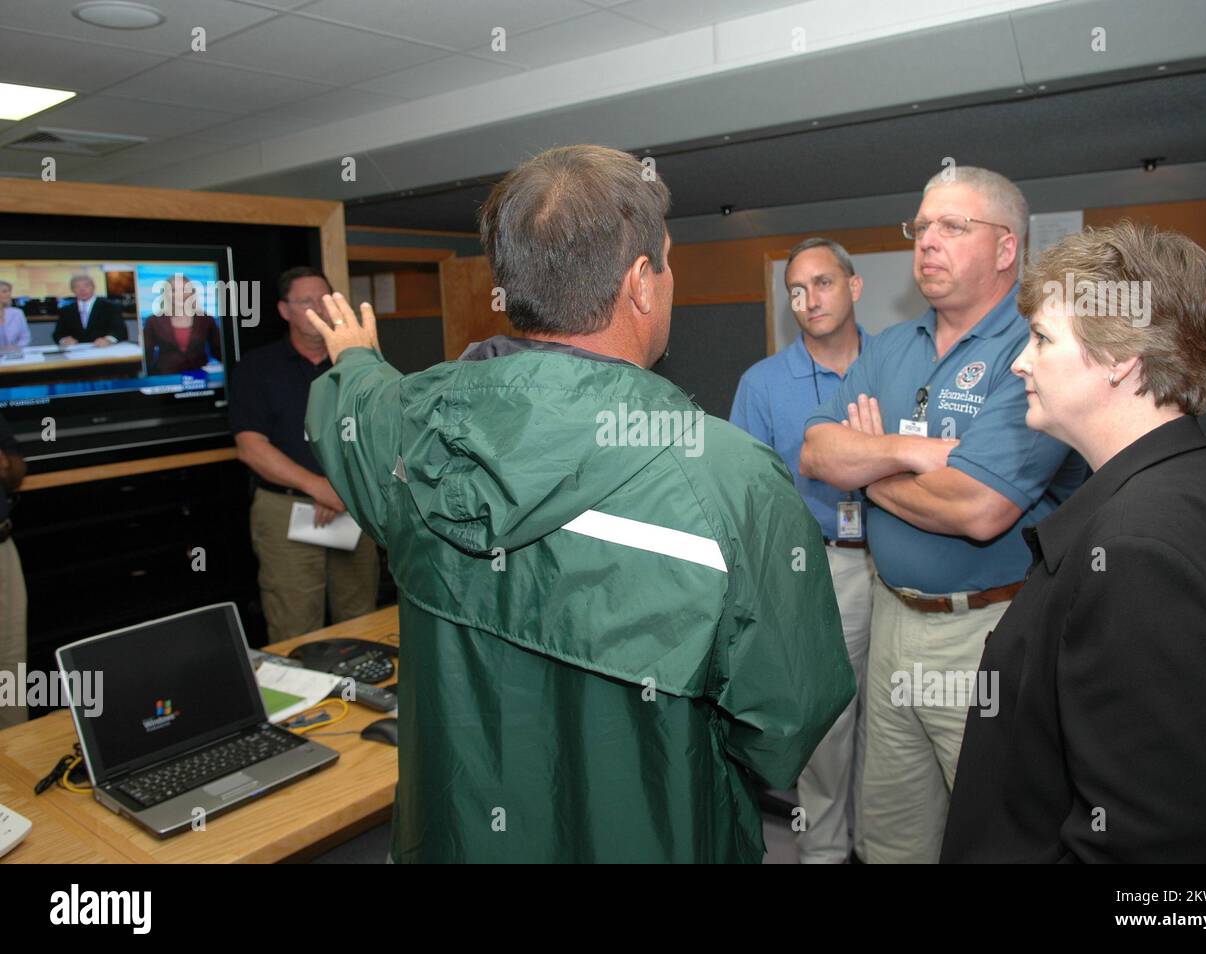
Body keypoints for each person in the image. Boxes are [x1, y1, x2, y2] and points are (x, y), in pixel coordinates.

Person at [305, 144, 856, 863]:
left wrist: (353, 357)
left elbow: (354, 415)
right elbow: (784, 721)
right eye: (665, 260)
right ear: (640, 283)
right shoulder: (730, 481)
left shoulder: (408, 433)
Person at [941, 221, 1206, 863]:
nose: (1020, 361)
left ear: (1118, 358)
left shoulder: (1142, 553)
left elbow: (1148, 855)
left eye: (1042, 338)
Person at [801, 165, 1086, 863]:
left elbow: (980, 507)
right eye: (921, 226)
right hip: (892, 616)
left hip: (985, 631)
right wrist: (913, 451)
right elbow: (815, 451)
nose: (927, 241)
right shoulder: (892, 345)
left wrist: (870, 469)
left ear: (1006, 248)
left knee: (996, 834)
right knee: (894, 837)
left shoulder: (1035, 351)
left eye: (953, 226)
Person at [730, 237, 874, 863]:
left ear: (853, 286)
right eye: (795, 289)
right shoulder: (763, 383)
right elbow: (745, 497)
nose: (807, 299)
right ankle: (823, 853)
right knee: (828, 730)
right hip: (818, 567)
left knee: (894, 728)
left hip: (900, 564)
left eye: (822, 283)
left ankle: (880, 846)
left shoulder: (894, 364)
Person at [228, 266, 379, 643]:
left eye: (325, 300)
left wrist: (341, 490)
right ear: (285, 311)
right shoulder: (258, 367)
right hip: (288, 510)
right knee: (295, 623)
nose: (320, 309)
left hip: (353, 505)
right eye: (306, 301)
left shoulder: (360, 365)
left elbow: (381, 432)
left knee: (360, 617)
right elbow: (250, 448)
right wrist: (318, 487)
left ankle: (360, 697)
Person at [0, 412, 28, 729]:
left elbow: (16, 469)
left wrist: (6, 465)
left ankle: (15, 764)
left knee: (9, 668)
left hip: (3, 548)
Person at [142, 274, 222, 374]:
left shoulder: (206, 319)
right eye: (174, 290)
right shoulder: (153, 321)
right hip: (165, 376)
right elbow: (146, 355)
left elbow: (219, 351)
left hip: (199, 377)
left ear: (192, 293)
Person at [53, 275, 128, 346]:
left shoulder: (110, 307)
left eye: (86, 286)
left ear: (93, 287)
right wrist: (64, 339)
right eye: (77, 287)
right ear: (72, 290)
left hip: (104, 351)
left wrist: (108, 339)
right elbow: (58, 334)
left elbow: (120, 331)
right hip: (76, 353)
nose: (82, 290)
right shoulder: (66, 310)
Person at [0, 281, 31, 349]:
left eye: (9, 291)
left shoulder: (17, 313)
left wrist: (17, 347)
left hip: (13, 355)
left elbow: (25, 337)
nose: (9, 294)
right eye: (4, 291)